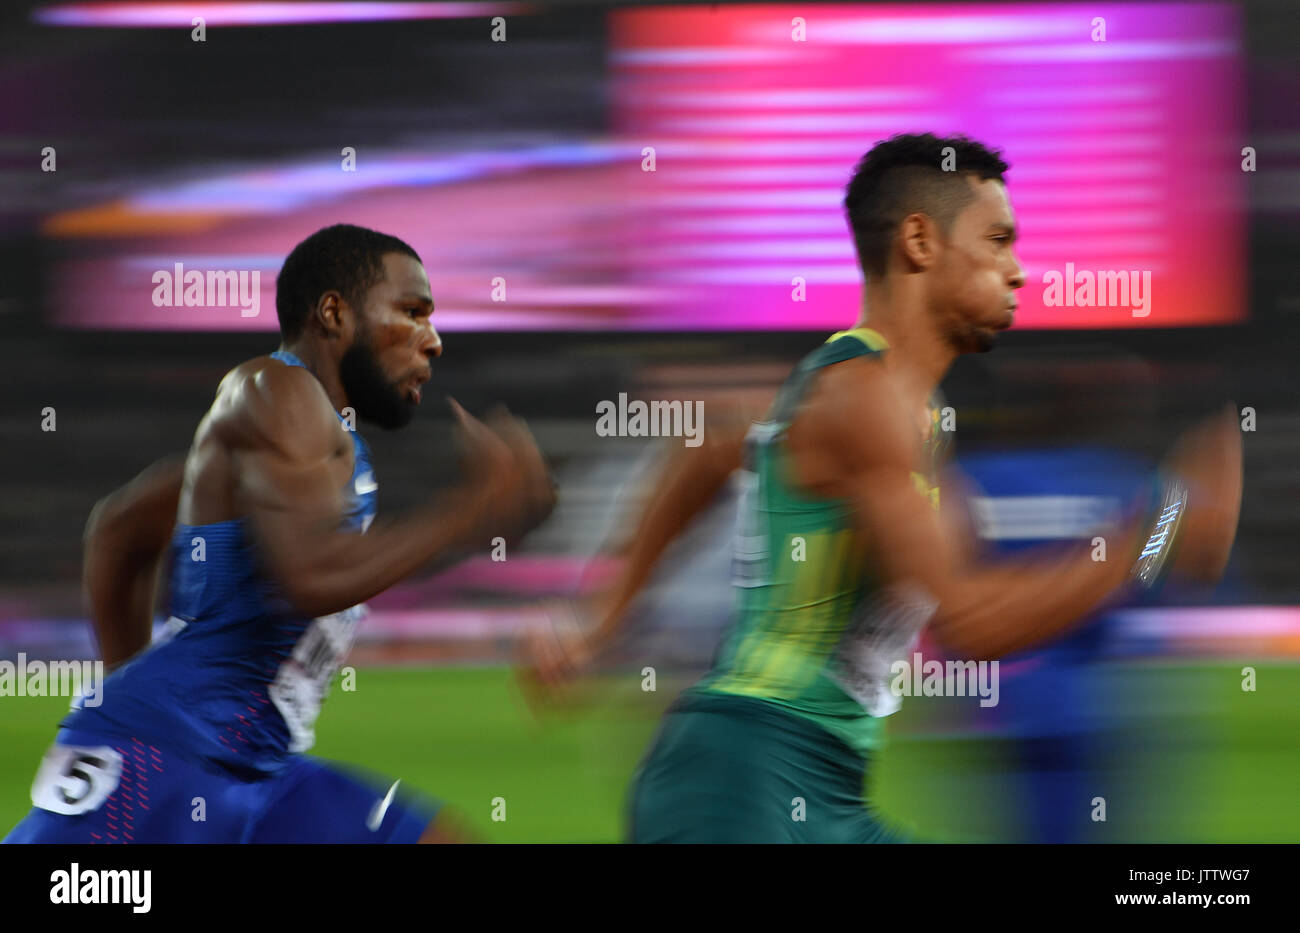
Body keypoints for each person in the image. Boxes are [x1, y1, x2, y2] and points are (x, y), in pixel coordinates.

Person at [520, 133, 1242, 843]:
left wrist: (603, 620)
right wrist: (1158, 528)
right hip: (742, 780)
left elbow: (708, 451)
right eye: (997, 240)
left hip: (818, 786)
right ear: (920, 242)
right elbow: (971, 624)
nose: (1018, 271)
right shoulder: (866, 402)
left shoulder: (894, 407)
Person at [5, 223, 554, 844]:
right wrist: (470, 512)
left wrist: (125, 682)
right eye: (412, 312)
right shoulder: (275, 388)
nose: (433, 340)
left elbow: (119, 529)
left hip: (258, 772)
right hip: (158, 769)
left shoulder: (313, 449)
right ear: (333, 313)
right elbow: (310, 576)